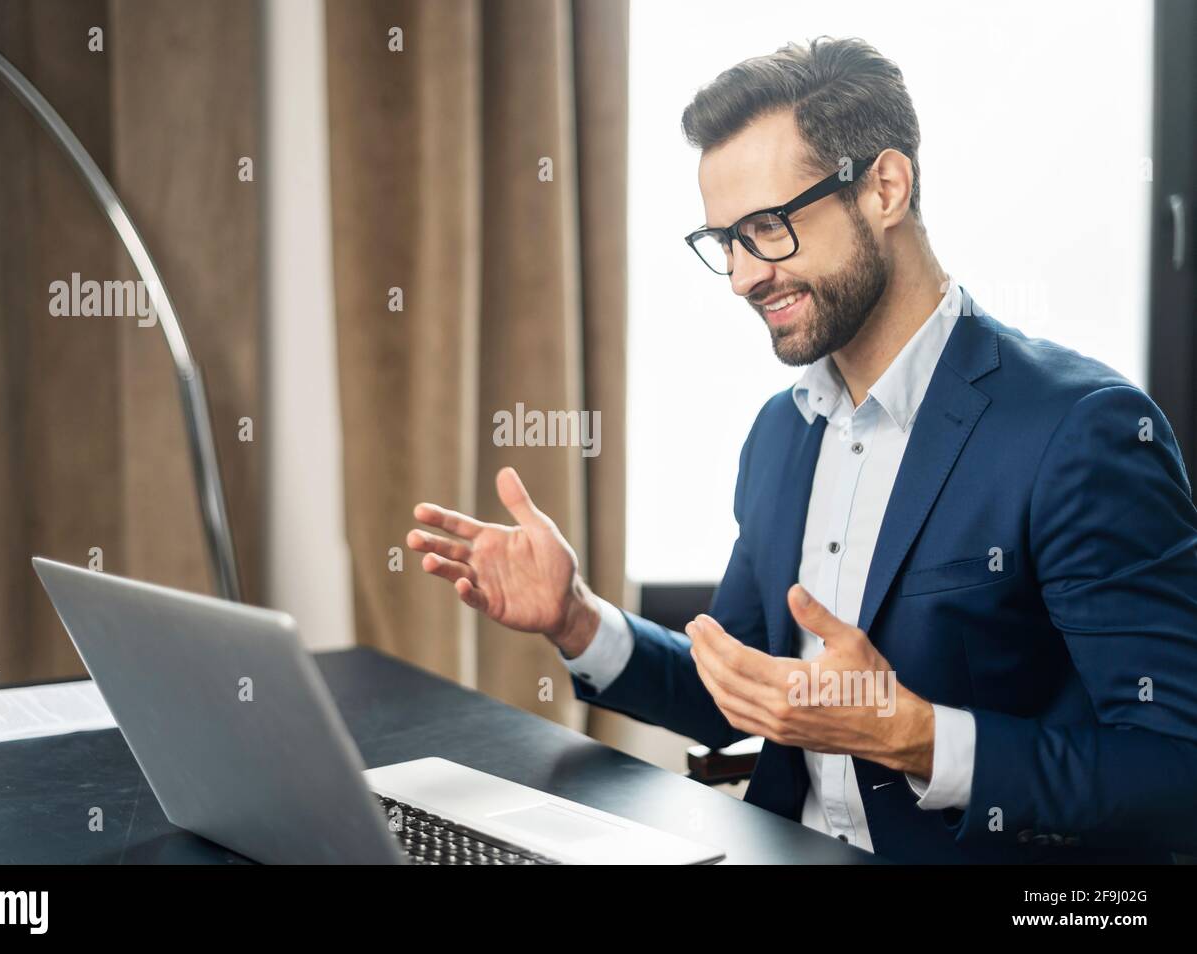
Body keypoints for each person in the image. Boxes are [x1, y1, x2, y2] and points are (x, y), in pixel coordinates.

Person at [406, 37, 1197, 863]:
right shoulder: (783, 432)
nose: (744, 276)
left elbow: (1178, 770)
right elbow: (735, 690)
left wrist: (919, 738)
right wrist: (577, 620)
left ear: (886, 187)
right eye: (725, 241)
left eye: (768, 227)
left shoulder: (1081, 432)